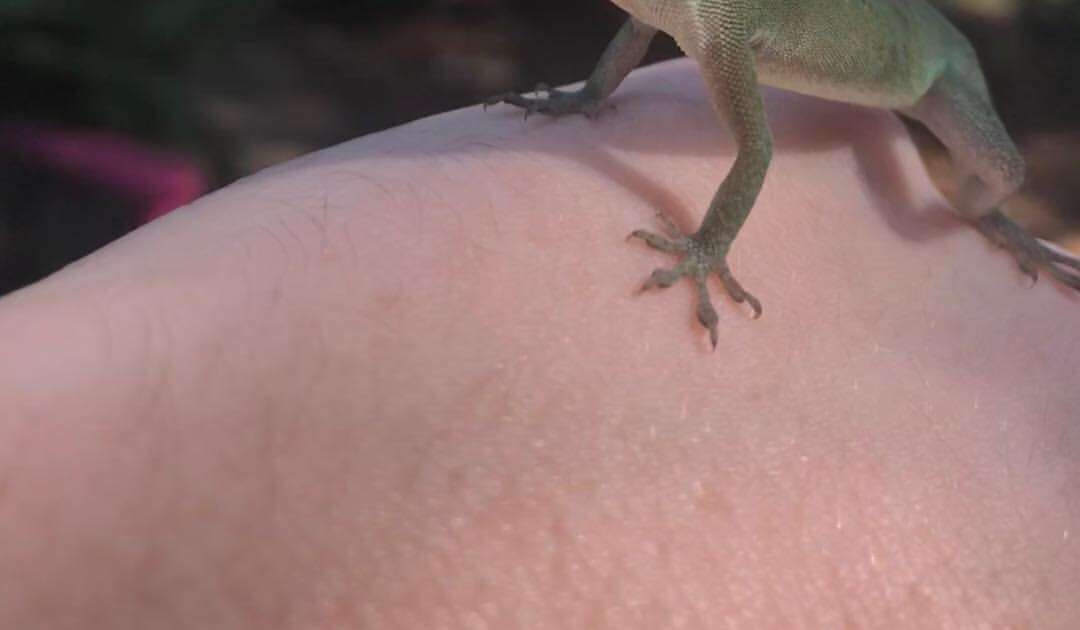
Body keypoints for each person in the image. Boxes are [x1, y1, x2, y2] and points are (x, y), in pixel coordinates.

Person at [1, 60, 1076, 628]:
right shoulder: (689, 24)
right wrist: (596, 95)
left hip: (924, 60)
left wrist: (707, 247)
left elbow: (753, 145)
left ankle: (990, 219)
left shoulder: (725, 19)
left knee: (999, 173)